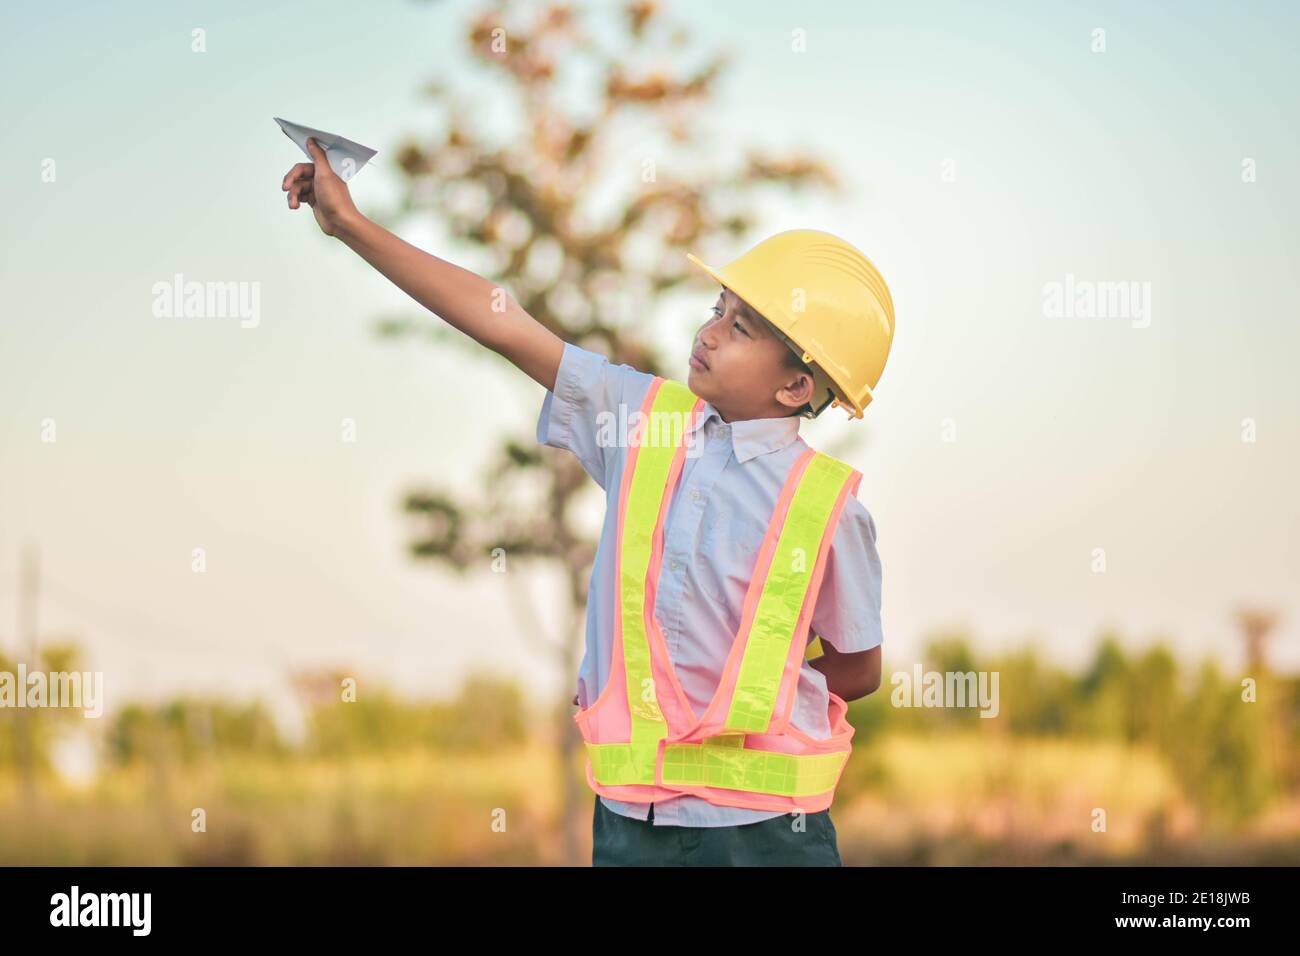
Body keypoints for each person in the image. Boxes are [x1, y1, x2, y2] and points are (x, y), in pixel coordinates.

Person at [283, 137, 894, 866]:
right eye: (717, 308)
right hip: (628, 822)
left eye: (741, 327)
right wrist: (352, 225)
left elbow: (858, 670)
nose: (708, 333)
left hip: (767, 837)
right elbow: (504, 321)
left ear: (797, 387)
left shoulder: (827, 505)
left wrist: (750, 699)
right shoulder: (643, 422)